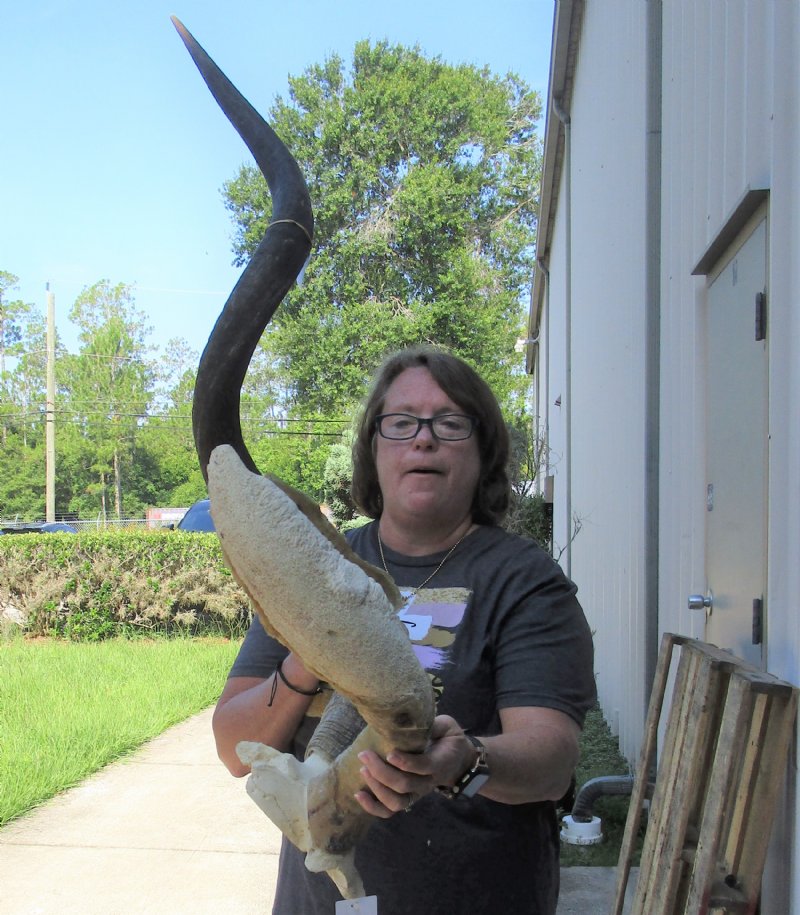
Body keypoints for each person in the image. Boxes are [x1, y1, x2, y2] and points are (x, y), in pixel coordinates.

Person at [212, 345, 596, 915]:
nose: (424, 439)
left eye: (450, 423)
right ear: (373, 448)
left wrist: (463, 762)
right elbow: (234, 749)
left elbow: (551, 763)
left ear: (484, 451)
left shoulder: (524, 580)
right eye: (401, 422)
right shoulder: (313, 566)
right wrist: (313, 654)